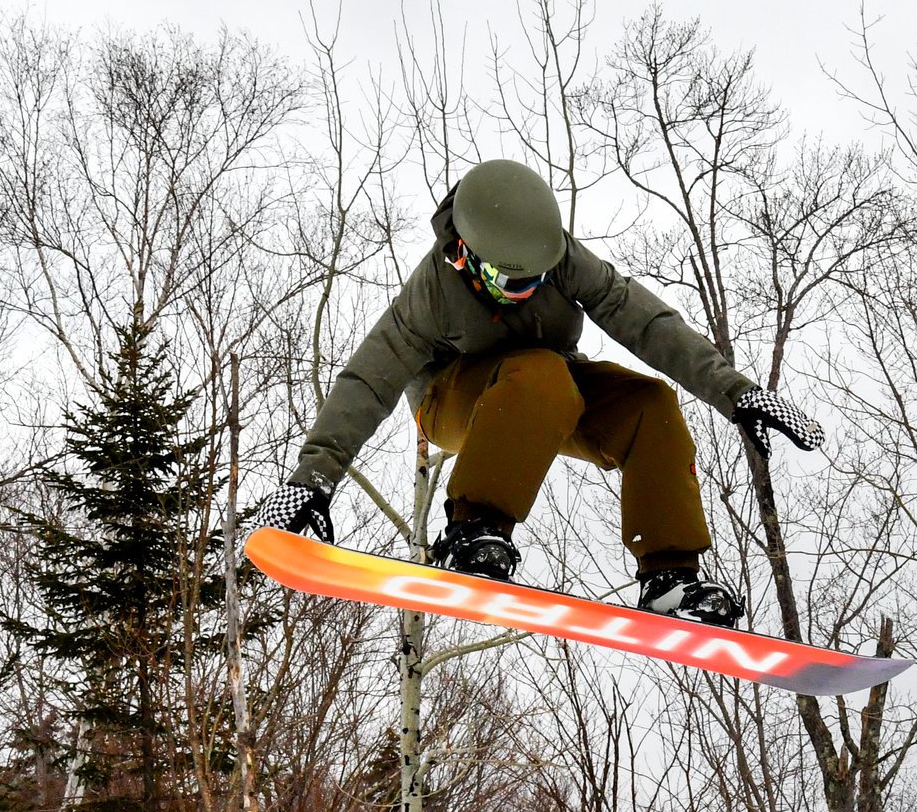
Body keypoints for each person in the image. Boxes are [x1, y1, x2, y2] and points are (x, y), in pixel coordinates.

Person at [240, 158, 824, 627]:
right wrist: (313, 478)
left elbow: (643, 319)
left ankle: (668, 576)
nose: (528, 290)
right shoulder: (433, 290)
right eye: (512, 281)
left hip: (546, 395)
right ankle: (474, 529)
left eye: (537, 279)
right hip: (453, 400)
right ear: (467, 255)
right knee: (540, 371)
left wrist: (735, 392)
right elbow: (370, 378)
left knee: (648, 403)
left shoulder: (565, 259)